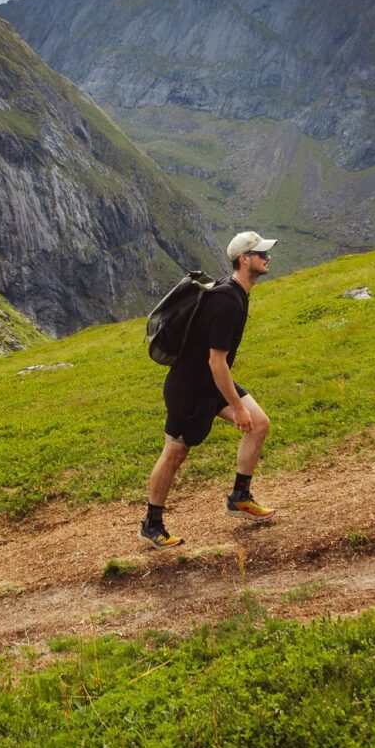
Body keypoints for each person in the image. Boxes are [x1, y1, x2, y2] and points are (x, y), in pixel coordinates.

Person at [139, 230, 277, 548]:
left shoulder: (237, 293)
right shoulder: (227, 301)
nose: (267, 259)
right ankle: (151, 523)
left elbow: (217, 367)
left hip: (212, 384)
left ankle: (239, 498)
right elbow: (217, 362)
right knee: (175, 453)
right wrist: (238, 408)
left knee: (259, 424)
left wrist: (237, 406)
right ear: (245, 260)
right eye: (261, 254)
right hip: (189, 388)